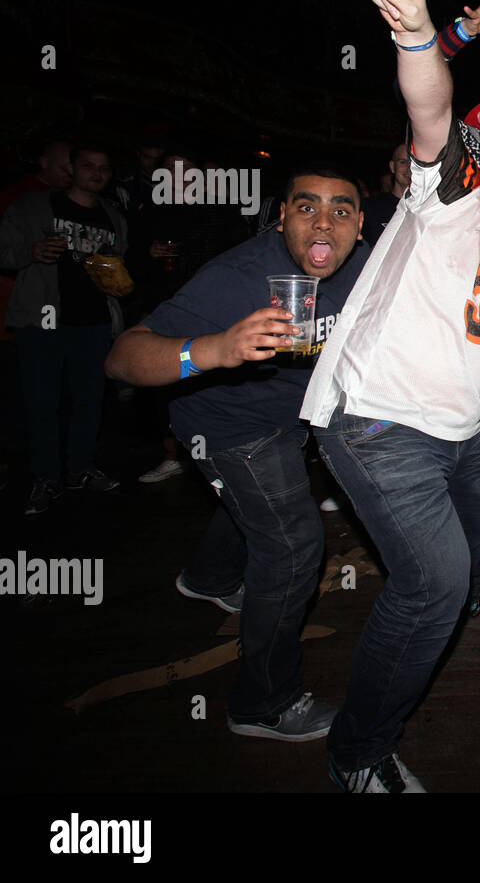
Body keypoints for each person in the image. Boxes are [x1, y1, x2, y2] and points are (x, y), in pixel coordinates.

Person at [300, 0, 480, 792]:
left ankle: (437, 586)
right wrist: (417, 33)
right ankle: (358, 753)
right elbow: (430, 105)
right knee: (436, 582)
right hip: (379, 414)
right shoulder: (453, 185)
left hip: (457, 424)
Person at [104, 164, 370, 742]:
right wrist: (214, 348)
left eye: (340, 210)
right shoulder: (236, 276)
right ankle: (263, 703)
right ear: (282, 217)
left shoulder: (363, 263)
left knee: (256, 505)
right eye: (307, 208)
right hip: (230, 428)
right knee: (293, 545)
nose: (323, 224)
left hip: (292, 417)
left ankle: (209, 576)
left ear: (358, 224)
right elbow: (123, 357)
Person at [0, 140, 128, 515]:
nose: (96, 174)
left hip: (94, 320)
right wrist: (31, 252)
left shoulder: (112, 214)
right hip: (43, 318)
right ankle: (45, 477)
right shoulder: (33, 206)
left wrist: (118, 283)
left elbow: (119, 260)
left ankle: (80, 469)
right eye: (88, 165)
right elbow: (4, 252)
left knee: (89, 401)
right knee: (42, 402)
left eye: (103, 168)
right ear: (71, 168)